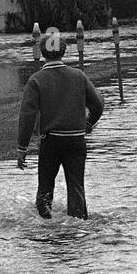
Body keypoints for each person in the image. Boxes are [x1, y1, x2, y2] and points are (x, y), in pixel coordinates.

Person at [17, 28, 105, 219]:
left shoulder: (36, 80)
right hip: (76, 140)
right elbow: (98, 104)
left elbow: (27, 116)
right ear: (64, 52)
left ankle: (46, 225)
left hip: (51, 141)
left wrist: (22, 148)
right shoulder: (78, 76)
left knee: (45, 189)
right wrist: (88, 124)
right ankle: (78, 225)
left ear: (42, 52)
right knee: (76, 188)